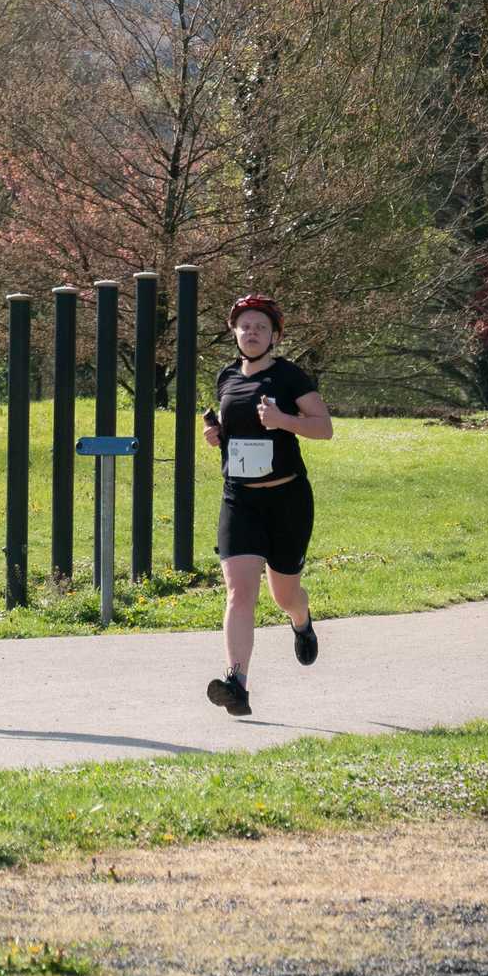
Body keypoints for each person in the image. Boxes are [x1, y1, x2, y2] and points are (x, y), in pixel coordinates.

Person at [202, 293, 334, 716]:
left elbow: (324, 428)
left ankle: (301, 620)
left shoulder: (290, 377)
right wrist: (216, 435)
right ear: (234, 332)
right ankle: (236, 682)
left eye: (260, 326)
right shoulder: (226, 377)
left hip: (286, 500)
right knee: (240, 594)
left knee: (285, 594)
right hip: (239, 499)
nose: (251, 332)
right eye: (244, 326)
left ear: (274, 335)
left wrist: (284, 422)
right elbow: (234, 430)